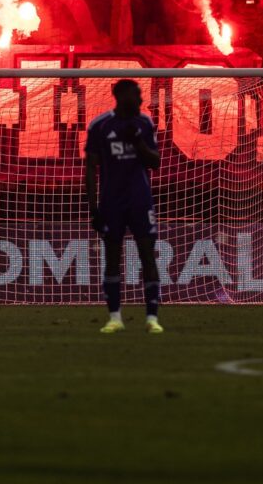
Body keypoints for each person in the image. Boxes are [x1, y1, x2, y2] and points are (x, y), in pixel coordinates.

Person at [85, 79, 163, 335]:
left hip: (140, 199)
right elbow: (91, 167)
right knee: (111, 257)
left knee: (147, 255)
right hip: (112, 201)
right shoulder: (100, 125)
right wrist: (93, 207)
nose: (141, 99)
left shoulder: (144, 123)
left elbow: (155, 162)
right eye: (136, 94)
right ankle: (115, 317)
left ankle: (152, 318)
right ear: (120, 95)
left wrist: (138, 142)